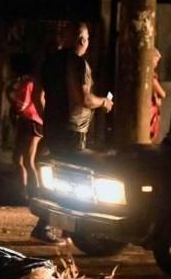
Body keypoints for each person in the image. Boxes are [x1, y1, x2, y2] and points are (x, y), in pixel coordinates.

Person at [31, 22, 113, 244]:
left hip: (54, 126)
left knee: (58, 174)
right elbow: (83, 99)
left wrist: (48, 117)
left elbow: (37, 96)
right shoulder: (77, 63)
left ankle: (54, 225)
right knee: (72, 177)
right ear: (82, 40)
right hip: (73, 128)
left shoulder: (48, 62)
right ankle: (57, 226)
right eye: (86, 38)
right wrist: (103, 102)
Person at [6, 53, 43, 196]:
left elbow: (22, 105)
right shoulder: (27, 82)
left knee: (27, 160)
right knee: (20, 159)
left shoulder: (28, 83)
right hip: (29, 121)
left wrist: (10, 97)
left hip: (31, 122)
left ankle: (34, 192)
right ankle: (24, 191)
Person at [150, 48, 167, 141]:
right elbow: (162, 93)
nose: (156, 64)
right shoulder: (151, 76)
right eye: (156, 61)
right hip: (151, 109)